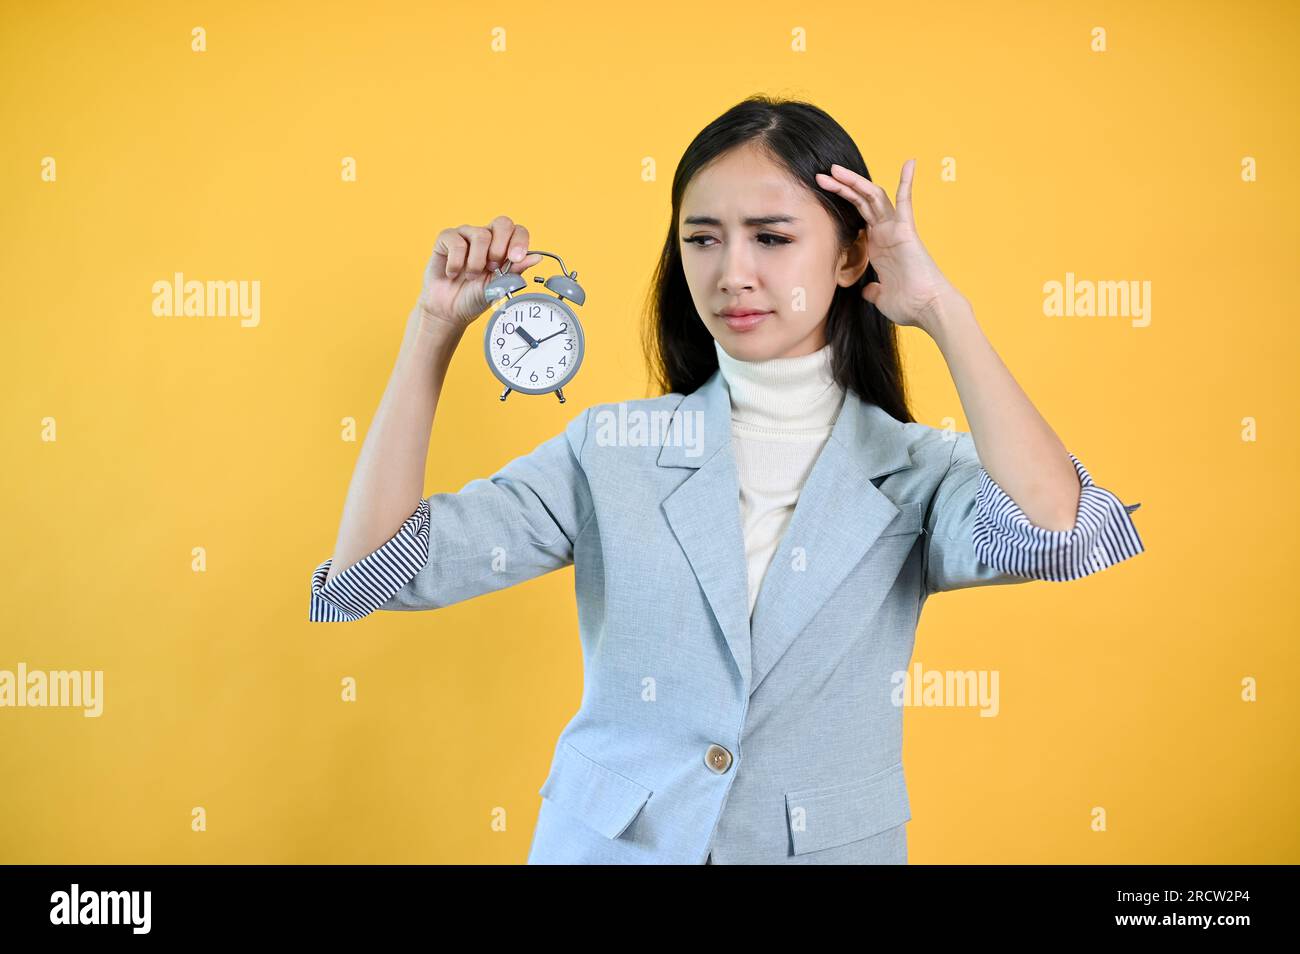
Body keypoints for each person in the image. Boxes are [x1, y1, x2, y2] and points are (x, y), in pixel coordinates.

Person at [307, 96, 1145, 864]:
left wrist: (937, 305)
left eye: (772, 238)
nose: (731, 272)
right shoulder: (612, 449)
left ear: (853, 256)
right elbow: (377, 569)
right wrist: (432, 331)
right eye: (702, 238)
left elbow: (1063, 530)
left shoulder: (920, 472)